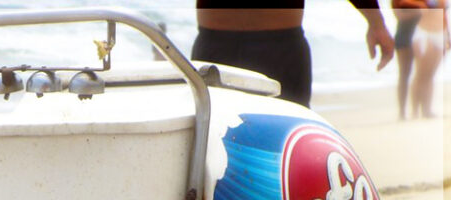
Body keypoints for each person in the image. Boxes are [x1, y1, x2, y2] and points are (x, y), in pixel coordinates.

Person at [191, 2, 395, 108]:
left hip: (279, 48)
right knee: (211, 143)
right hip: (217, 46)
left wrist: (376, 22)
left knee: (285, 143)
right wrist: (376, 22)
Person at [409, 1, 449, 117]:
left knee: (430, 74)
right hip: (424, 32)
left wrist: (447, 36)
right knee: (421, 73)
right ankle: (415, 110)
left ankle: (427, 109)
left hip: (440, 32)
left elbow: (444, 14)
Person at [392, 0, 428, 119]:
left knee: (422, 74)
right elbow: (399, 15)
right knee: (404, 74)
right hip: (405, 36)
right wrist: (420, 11)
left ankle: (420, 109)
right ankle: (402, 111)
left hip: (423, 35)